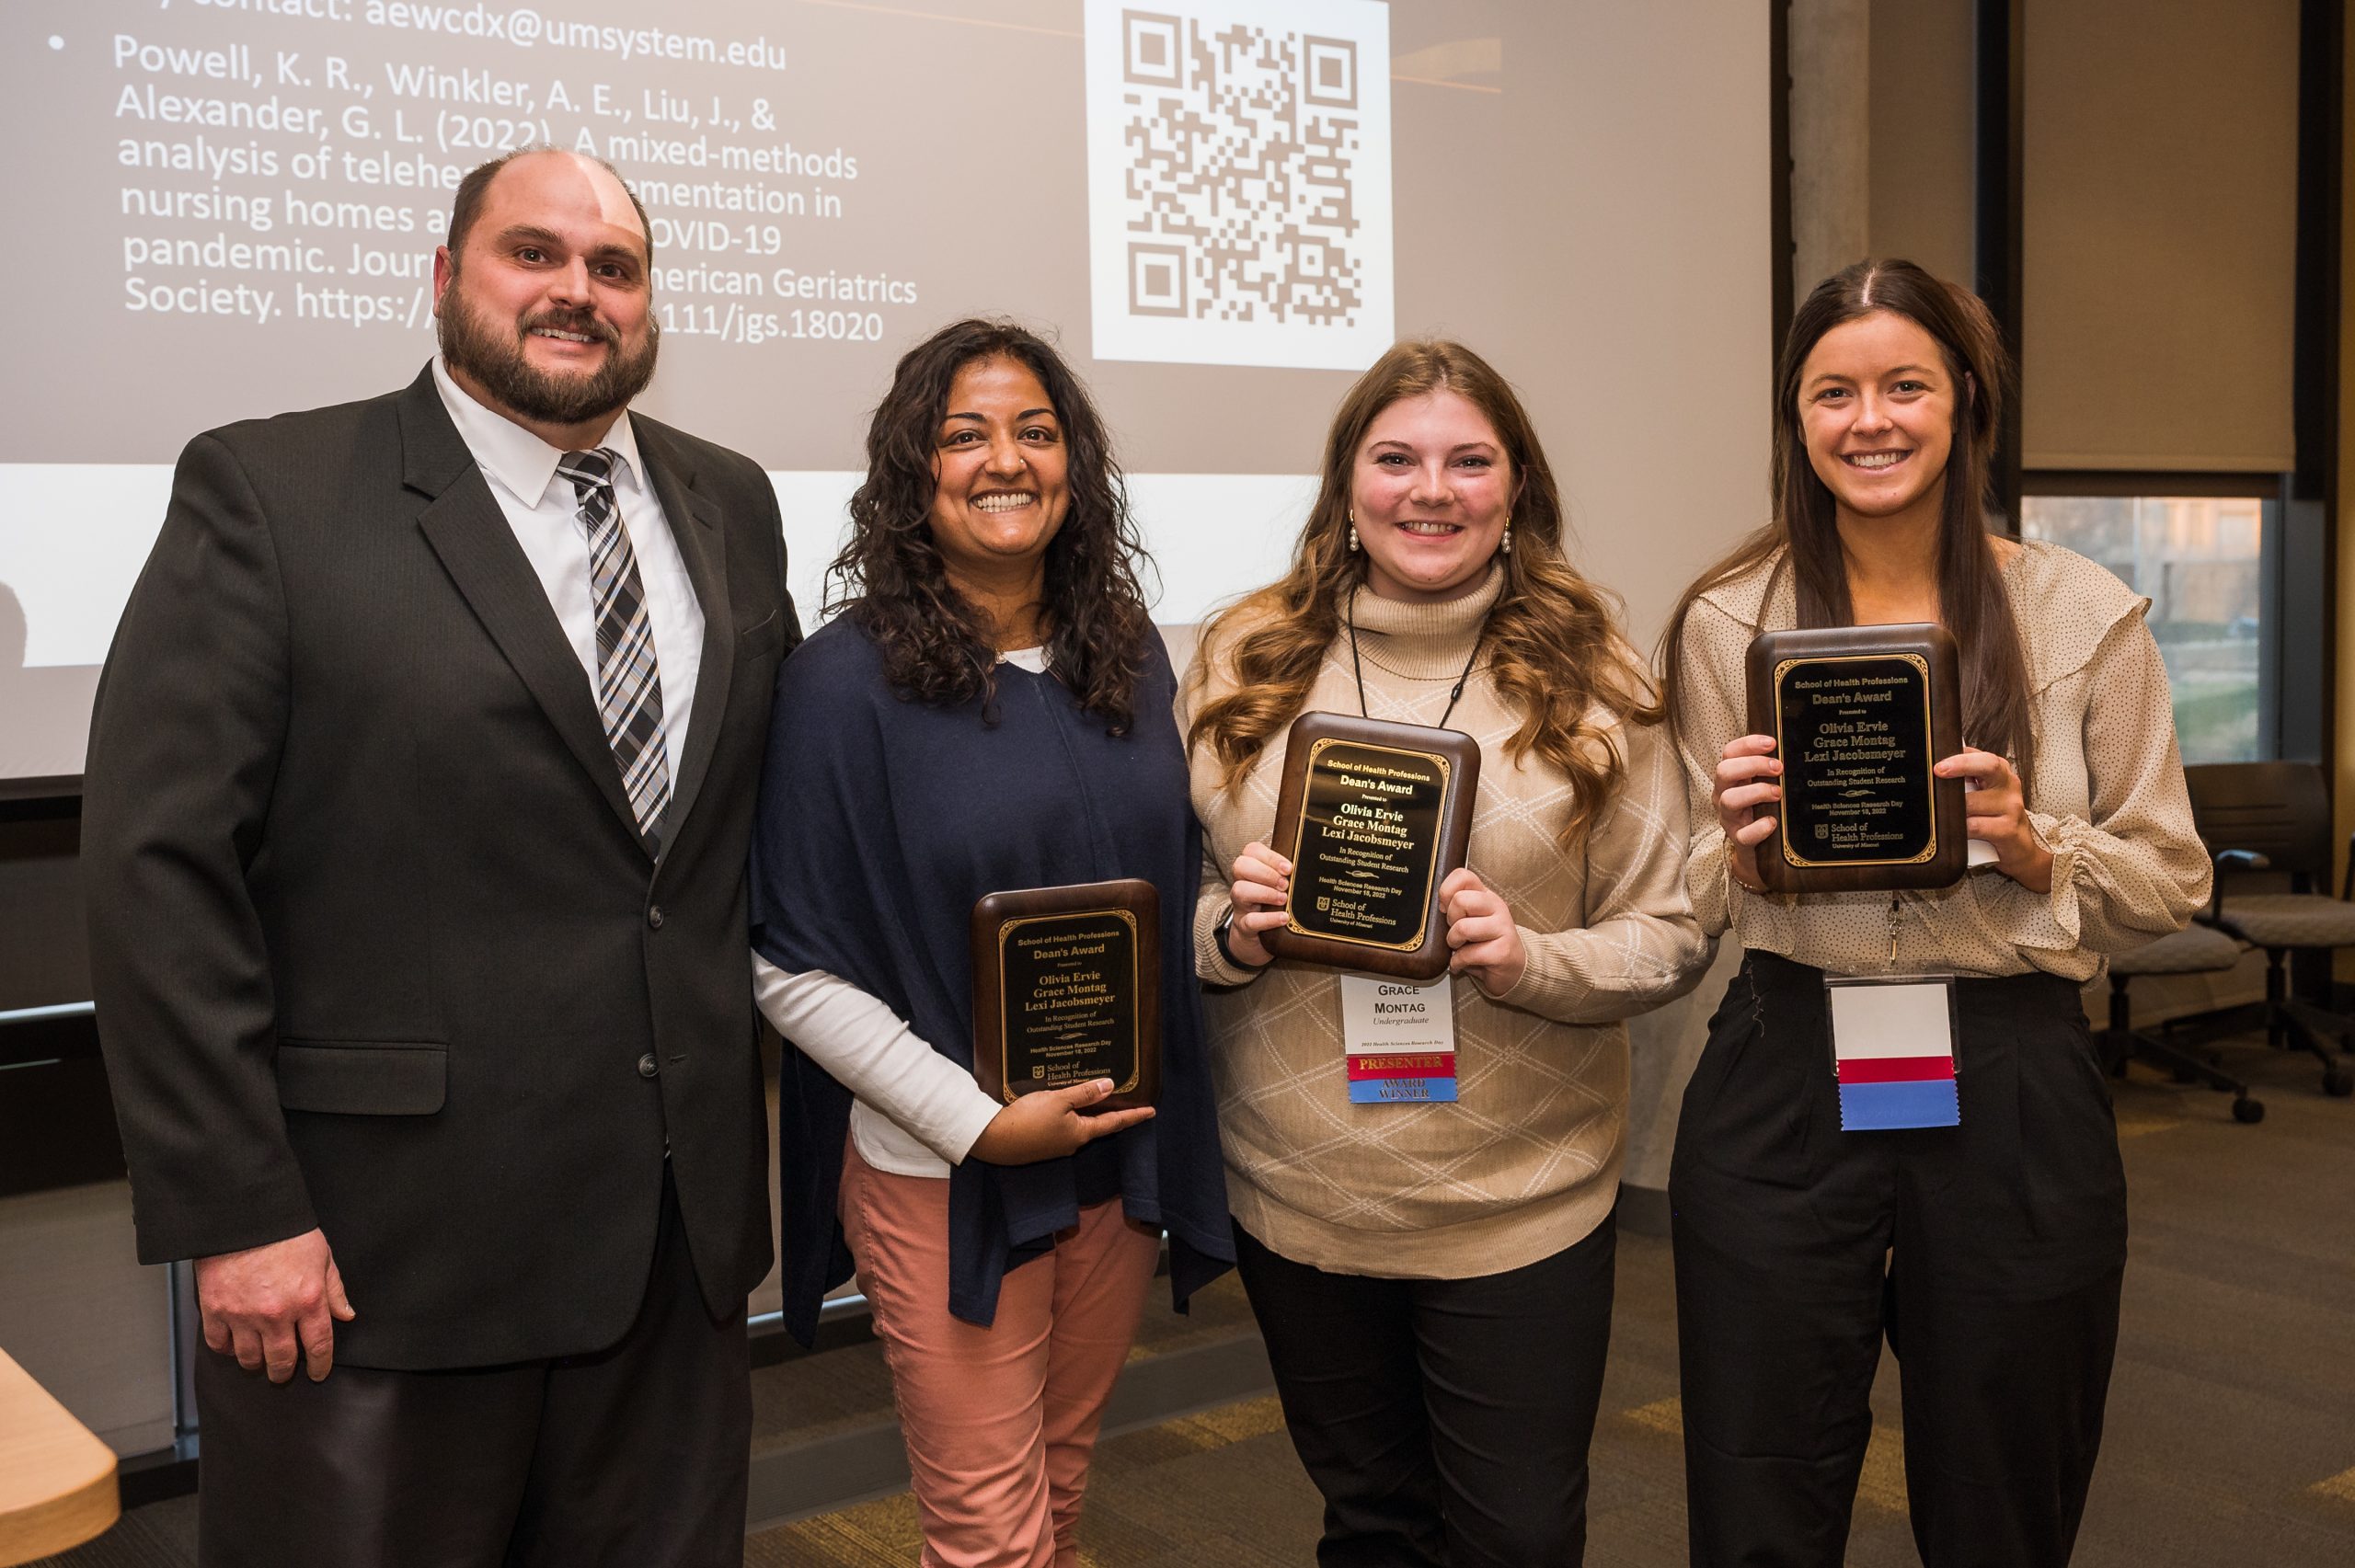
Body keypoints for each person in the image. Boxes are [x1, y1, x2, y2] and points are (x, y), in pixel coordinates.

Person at [82, 148, 798, 1567]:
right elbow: (159, 866)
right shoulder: (273, 491)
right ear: (443, 275)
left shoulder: (732, 501)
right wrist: (239, 1210)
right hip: (378, 1265)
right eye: (534, 252)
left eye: (614, 266)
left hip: (673, 1253)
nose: (577, 290)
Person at [1659, 258, 2211, 1568]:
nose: (1870, 421)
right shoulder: (1726, 620)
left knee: (2005, 1487)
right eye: (1832, 392)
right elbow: (1674, 879)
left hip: (2013, 1078)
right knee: (1760, 1483)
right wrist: (1741, 859)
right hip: (1786, 1068)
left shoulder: (2081, 614)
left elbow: (2174, 876)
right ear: (1796, 417)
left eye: (1905, 386)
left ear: (1966, 399)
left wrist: (2031, 844)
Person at [1184, 339, 1708, 1567]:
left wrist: (1532, 962)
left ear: (1518, 486)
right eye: (1397, 458)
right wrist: (1233, 932)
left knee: (1519, 1539)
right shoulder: (1243, 656)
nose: (1432, 490)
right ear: (1346, 485)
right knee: (1370, 1524)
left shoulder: (1598, 675)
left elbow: (1674, 930)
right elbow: (1190, 892)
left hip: (1518, 1202)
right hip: (1300, 1188)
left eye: (1470, 460)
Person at [747, 318, 1232, 1568]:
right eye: (965, 434)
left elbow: (1167, 888)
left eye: (1036, 430)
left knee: (1056, 1495)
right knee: (988, 1535)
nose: (1005, 459)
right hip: (942, 1165)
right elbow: (789, 963)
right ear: (913, 470)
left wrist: (1236, 929)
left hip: (1112, 1154)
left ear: (1076, 464)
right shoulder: (840, 683)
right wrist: (976, 1123)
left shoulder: (1127, 654)